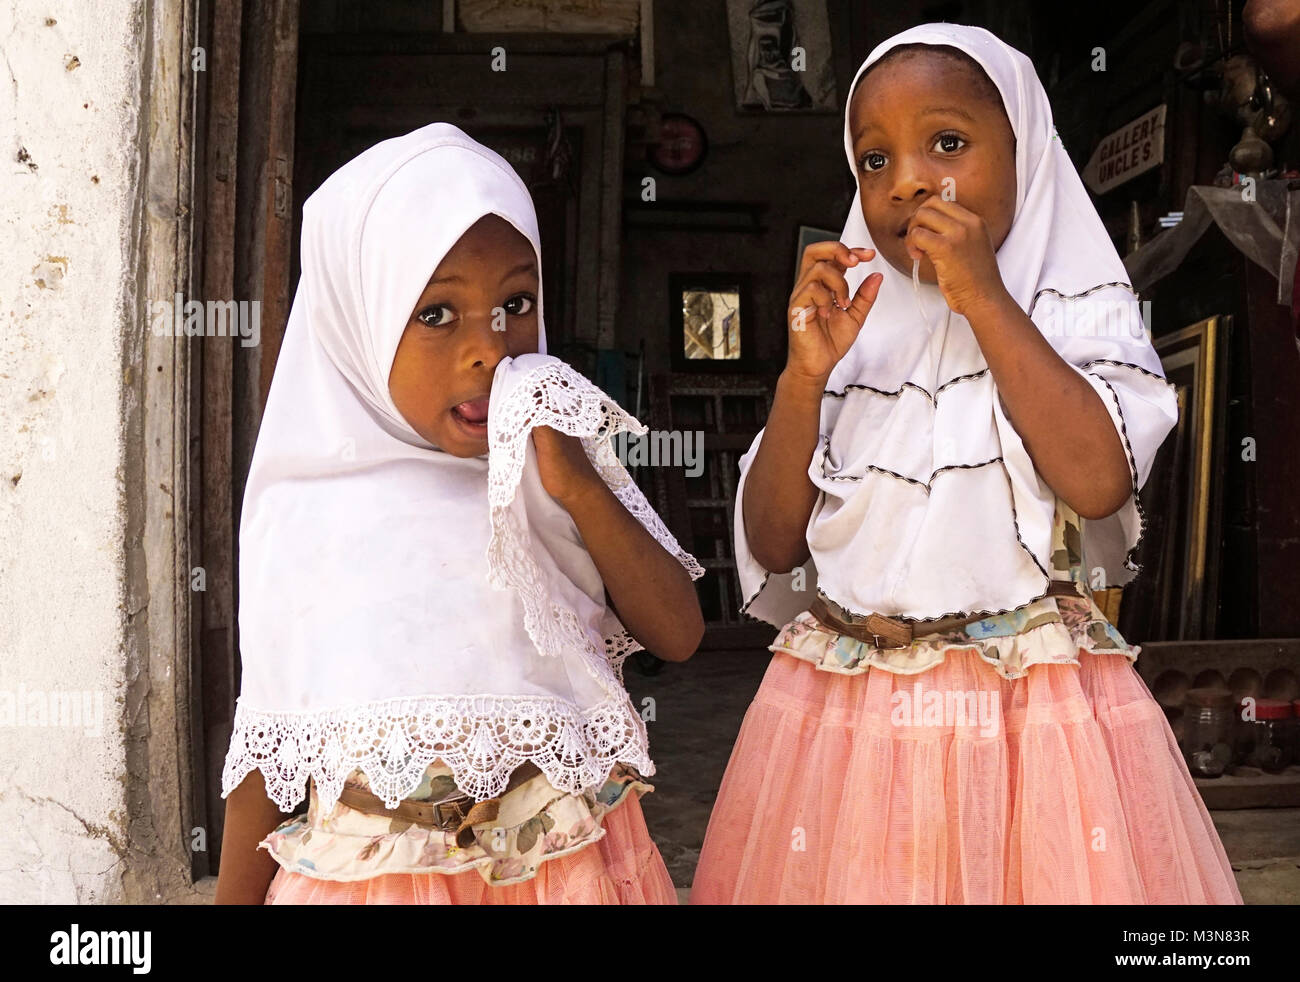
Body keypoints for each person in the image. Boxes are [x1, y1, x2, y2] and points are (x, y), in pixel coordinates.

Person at [690, 23, 1243, 904]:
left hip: (1026, 727)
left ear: (1026, 155)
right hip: (847, 723)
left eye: (946, 144)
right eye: (874, 161)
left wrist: (983, 297)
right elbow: (773, 538)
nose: (907, 178)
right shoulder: (852, 340)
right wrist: (803, 380)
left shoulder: (1072, 312)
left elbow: (1098, 478)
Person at [213, 123, 704, 905]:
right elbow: (271, 751)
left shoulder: (548, 465)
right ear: (357, 326)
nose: (491, 347)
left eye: (516, 303)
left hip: (562, 875)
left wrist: (576, 484)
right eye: (437, 313)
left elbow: (678, 633)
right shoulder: (306, 515)